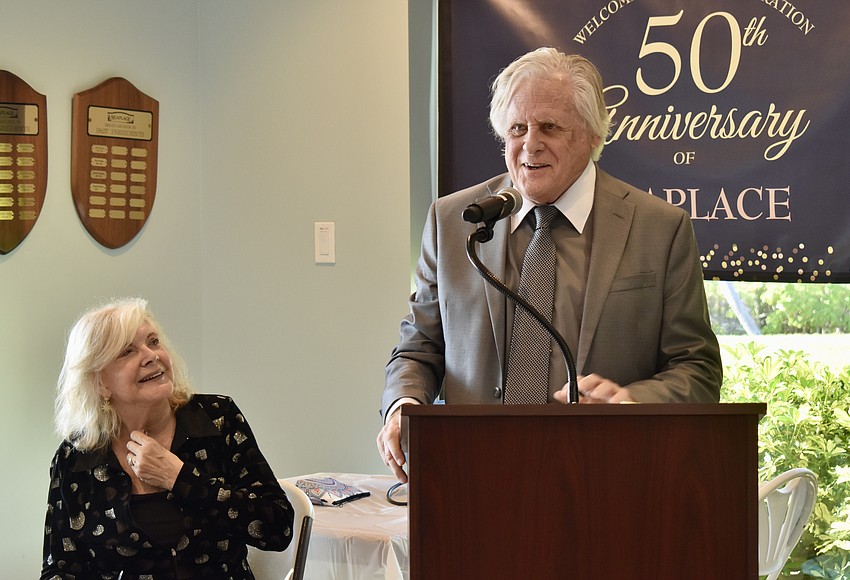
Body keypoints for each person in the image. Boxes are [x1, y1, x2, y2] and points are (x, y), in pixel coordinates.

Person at [377, 47, 722, 482]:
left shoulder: (660, 228)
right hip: (469, 480)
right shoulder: (453, 221)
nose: (529, 144)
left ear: (594, 135)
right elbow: (418, 346)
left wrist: (630, 402)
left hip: (605, 480)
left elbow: (698, 367)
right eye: (517, 128)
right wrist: (404, 404)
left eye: (550, 127)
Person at [41, 298, 293, 579]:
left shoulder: (217, 419)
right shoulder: (76, 457)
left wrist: (180, 479)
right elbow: (60, 568)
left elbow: (277, 528)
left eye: (154, 341)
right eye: (127, 351)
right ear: (100, 383)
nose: (151, 355)